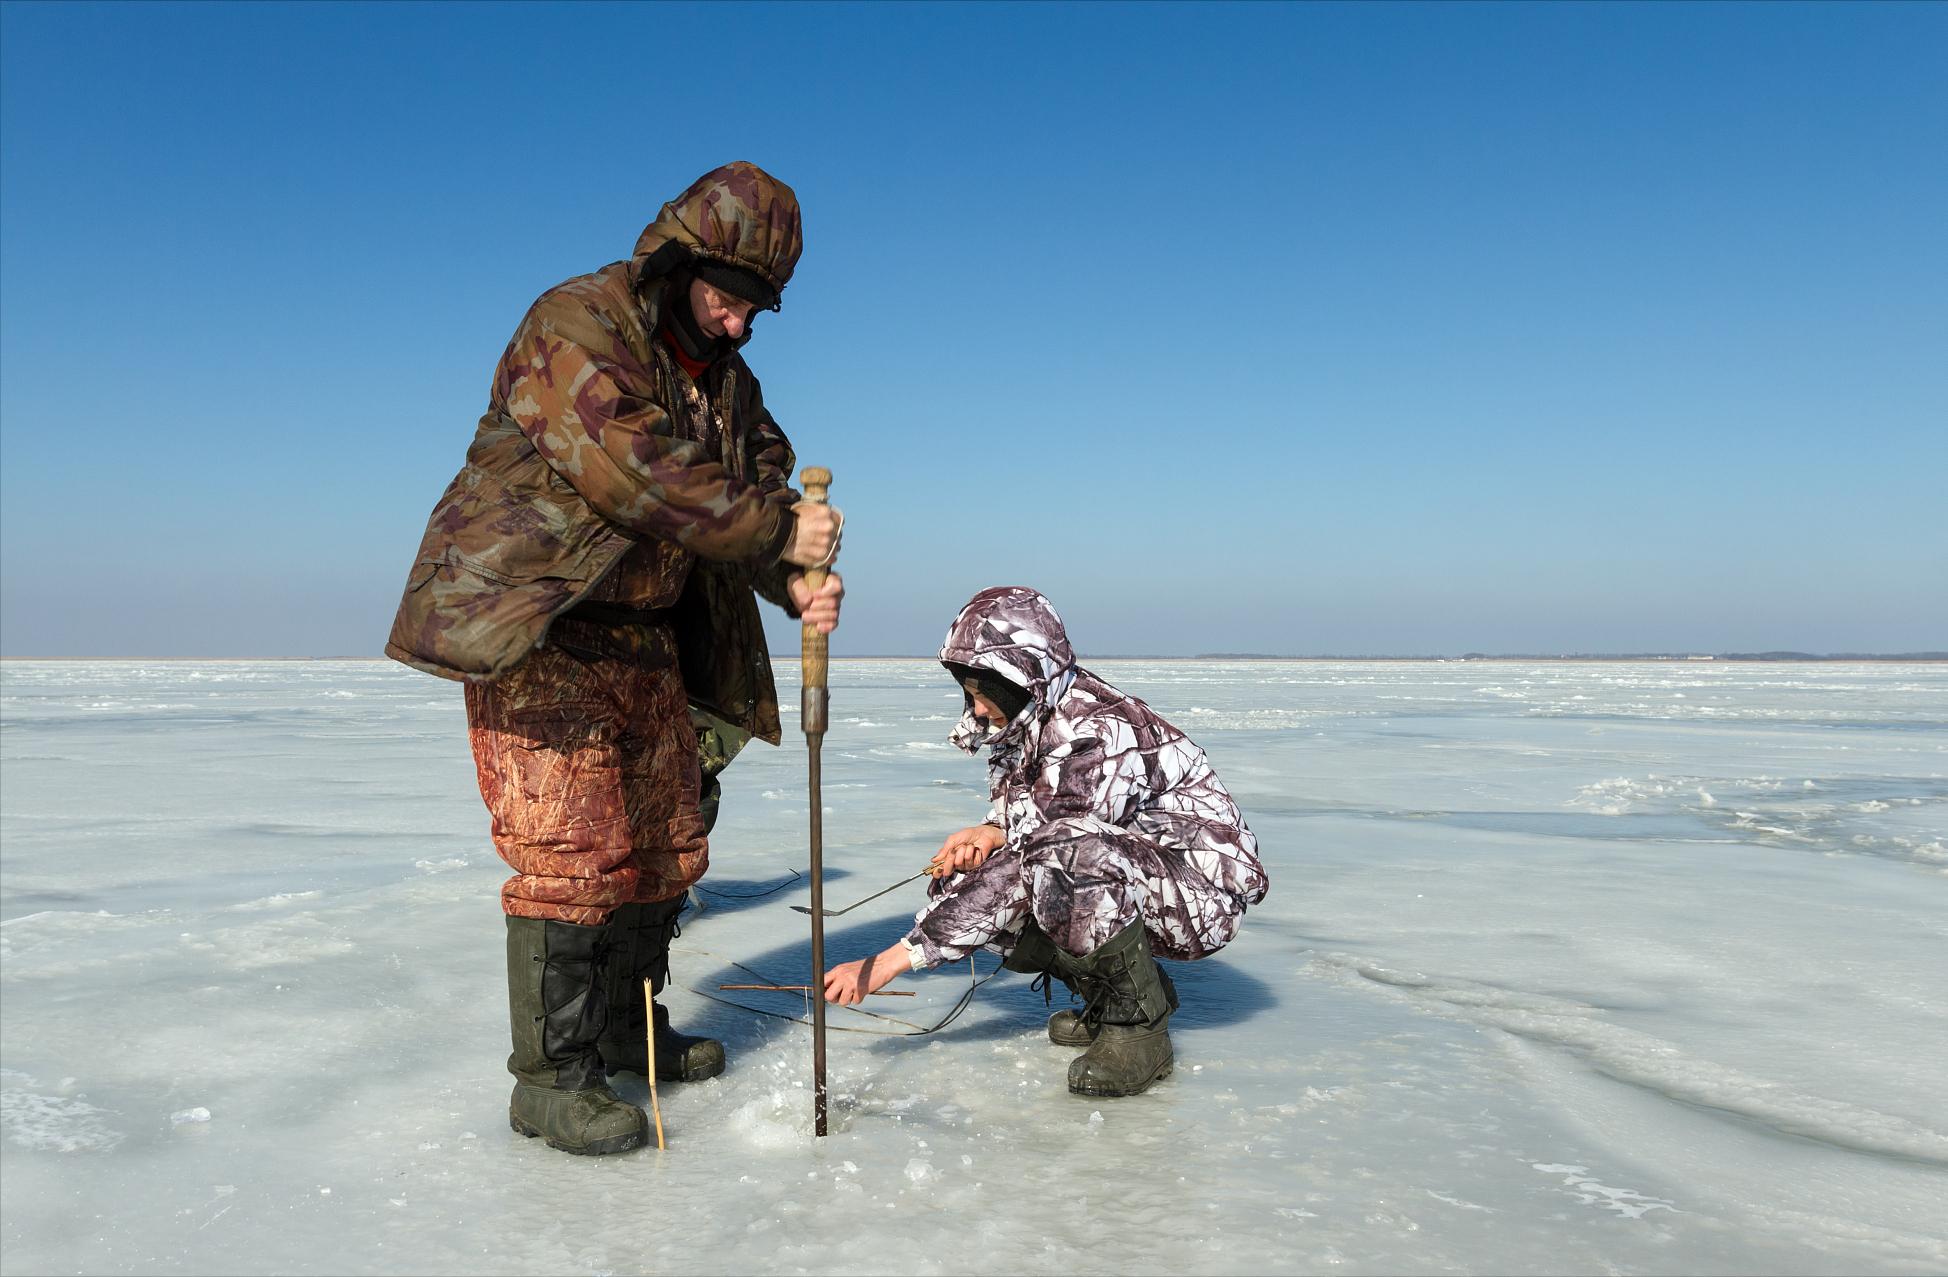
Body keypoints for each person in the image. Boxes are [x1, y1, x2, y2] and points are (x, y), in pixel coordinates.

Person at [385, 162, 844, 1156]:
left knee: (664, 845)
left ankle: (626, 1030)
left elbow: (758, 483)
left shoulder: (728, 381)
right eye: (731, 297)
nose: (740, 324)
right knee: (572, 856)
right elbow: (642, 479)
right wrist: (780, 530)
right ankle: (548, 1079)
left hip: (649, 640)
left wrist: (793, 574)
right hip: (539, 629)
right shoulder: (576, 328)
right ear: (682, 263)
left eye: (760, 306)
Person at [823, 587, 1266, 1098]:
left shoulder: (1095, 733)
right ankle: (1116, 992)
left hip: (1199, 894)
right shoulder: (1036, 716)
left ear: (1022, 676)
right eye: (968, 690)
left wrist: (894, 960)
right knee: (969, 879)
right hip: (1127, 868)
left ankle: (1137, 1025)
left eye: (985, 690)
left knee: (1056, 863)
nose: (978, 707)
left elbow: (1057, 847)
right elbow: (1036, 818)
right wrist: (992, 830)